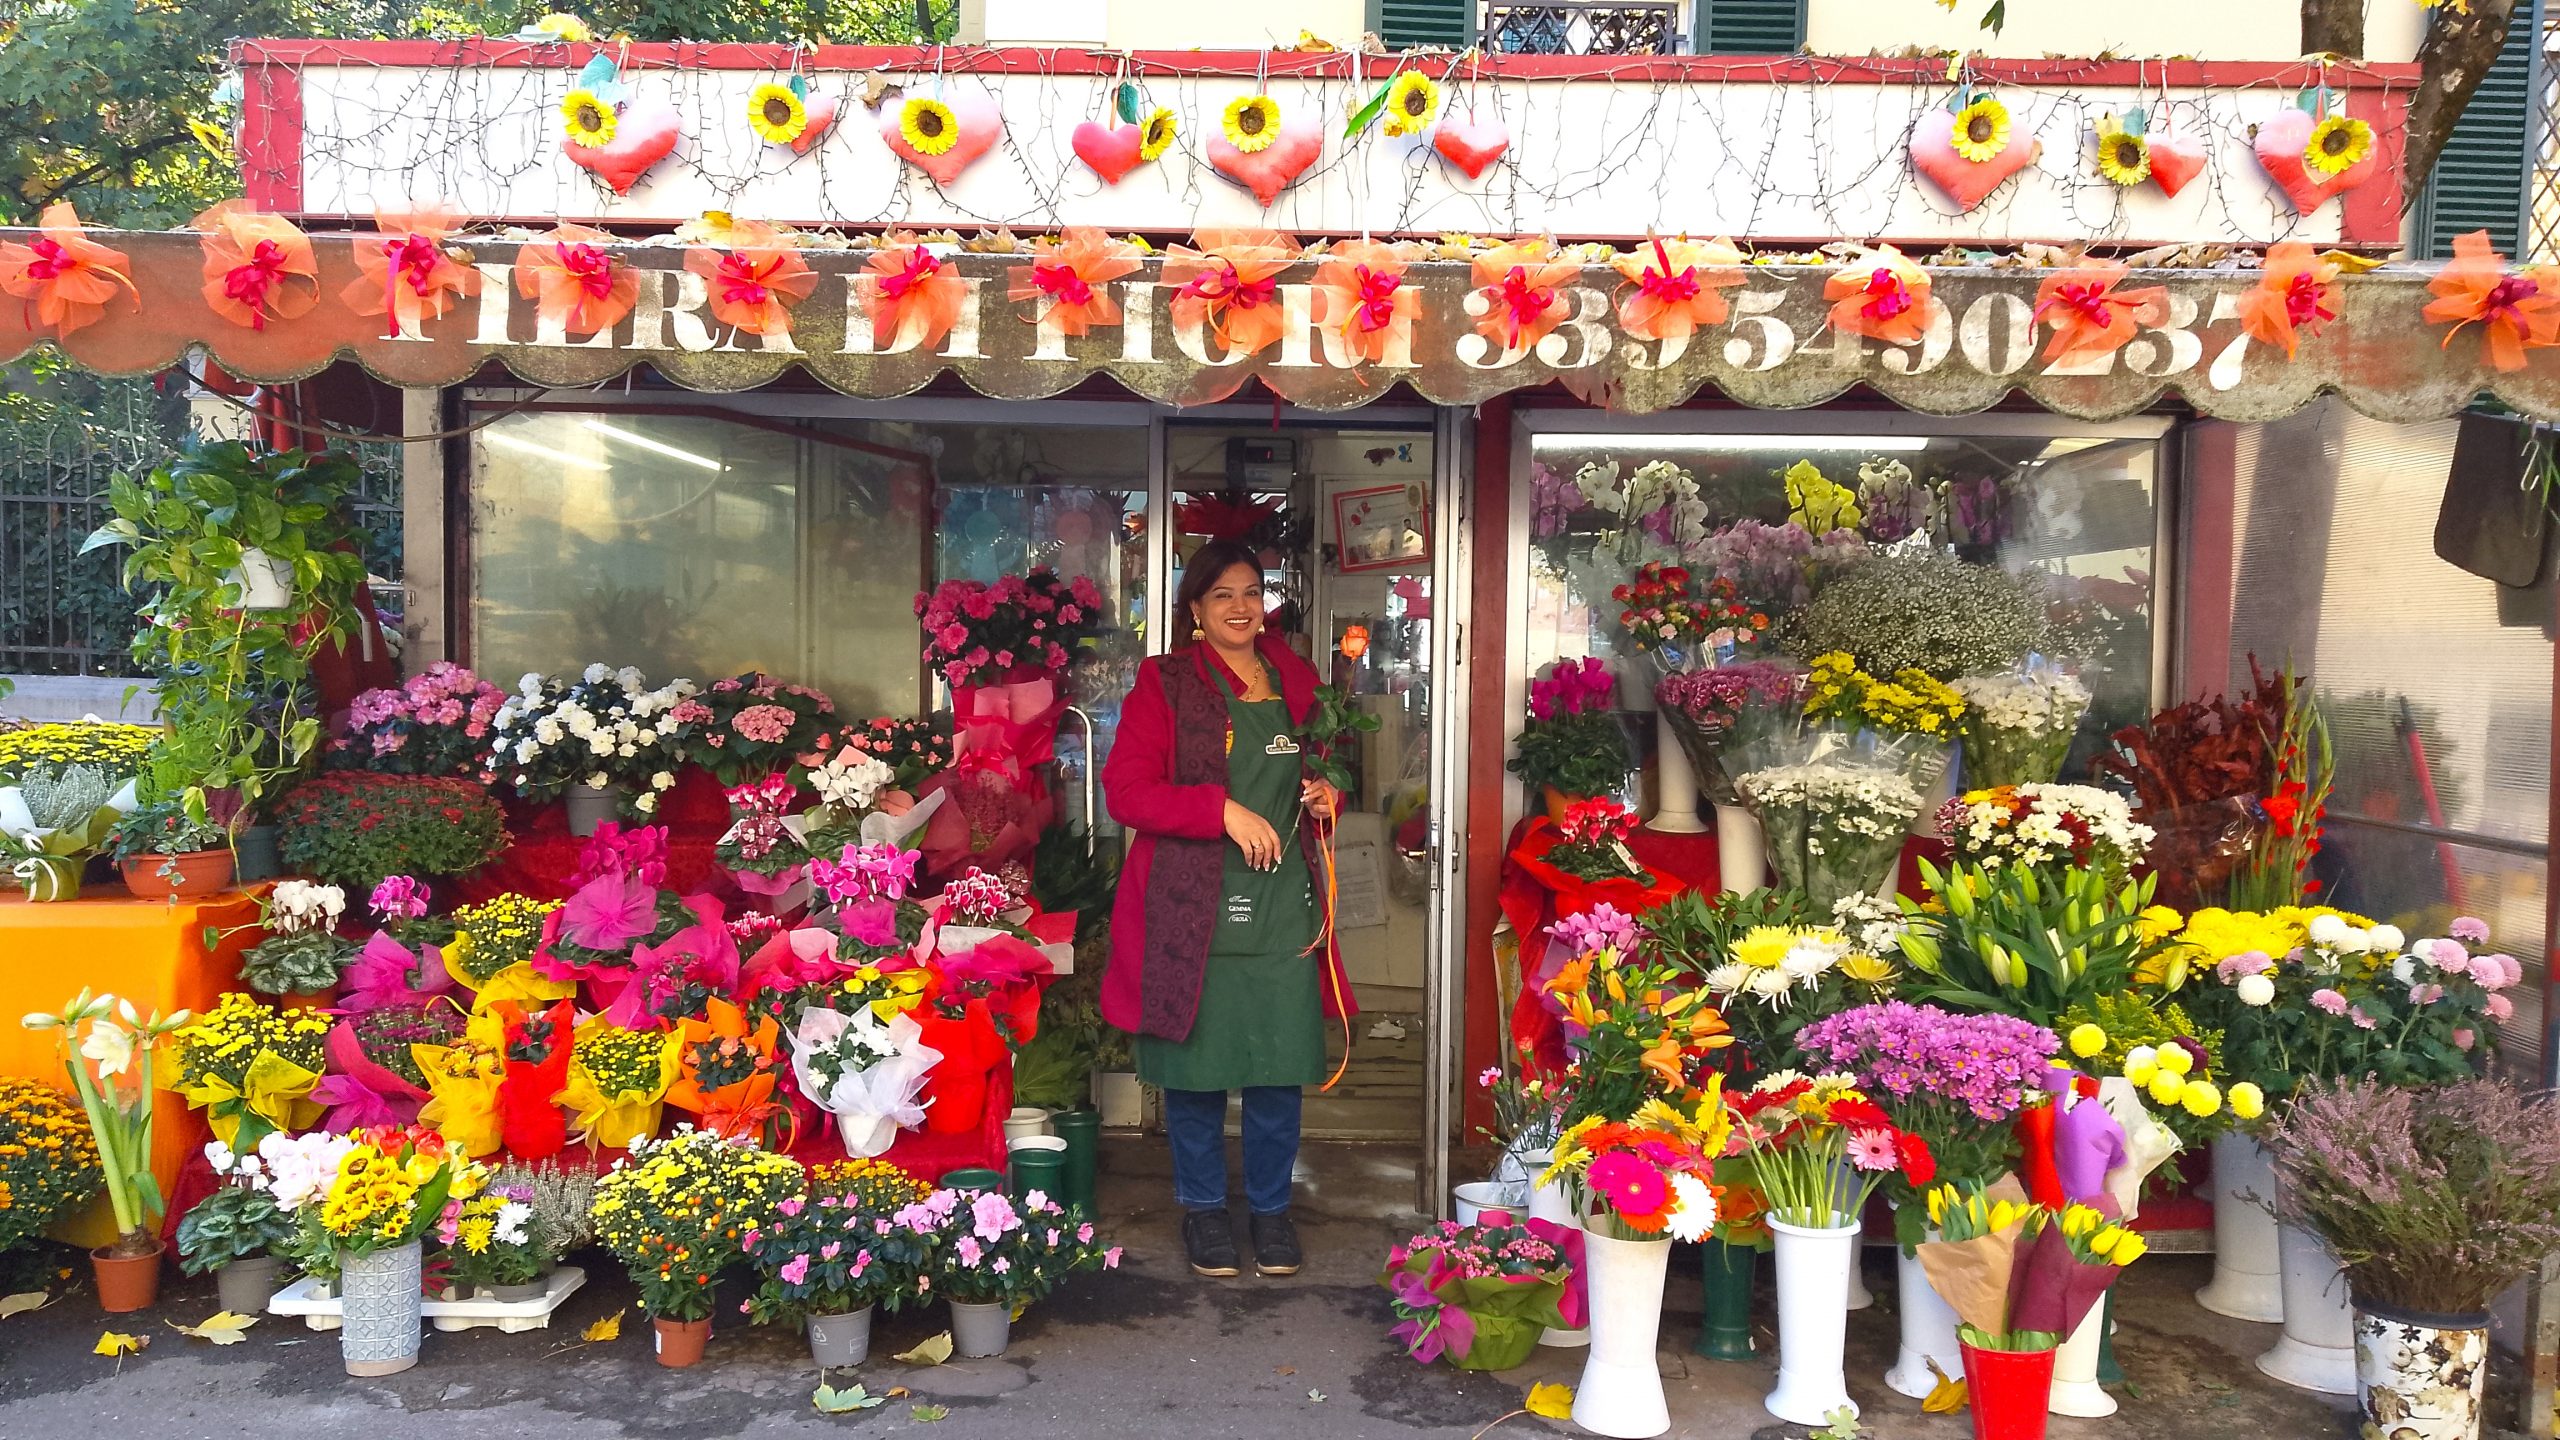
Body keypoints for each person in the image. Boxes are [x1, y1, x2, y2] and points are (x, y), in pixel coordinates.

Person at [1099, 540, 1356, 1279]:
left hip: (1283, 904)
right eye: (1223, 597)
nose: (1243, 608)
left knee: (1277, 1068)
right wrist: (1219, 809)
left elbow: (1326, 764)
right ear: (1194, 612)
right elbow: (1127, 792)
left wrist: (1325, 796)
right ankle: (1205, 1212)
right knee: (1197, 1070)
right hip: (1192, 908)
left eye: (1253, 592)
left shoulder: (1293, 675)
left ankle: (1273, 1214)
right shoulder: (1167, 682)